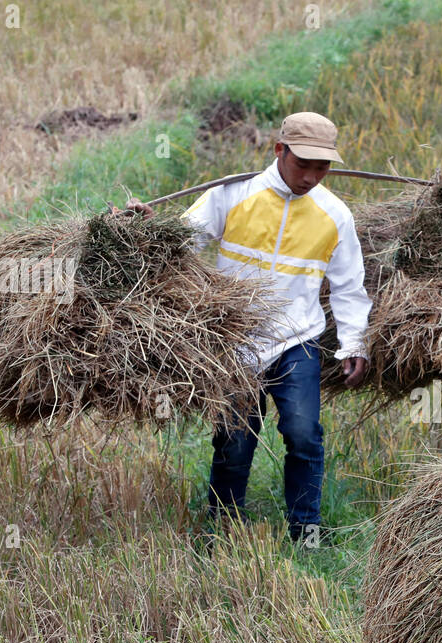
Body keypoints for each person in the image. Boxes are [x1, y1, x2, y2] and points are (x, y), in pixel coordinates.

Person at [128, 111, 371, 545]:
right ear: (279, 150)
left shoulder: (335, 215)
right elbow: (182, 240)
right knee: (235, 439)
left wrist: (354, 343)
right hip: (236, 341)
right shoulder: (232, 194)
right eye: (303, 165)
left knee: (302, 433)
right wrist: (147, 229)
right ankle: (221, 527)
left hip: (296, 338)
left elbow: (350, 286)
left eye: (322, 167)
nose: (312, 177)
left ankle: (307, 533)